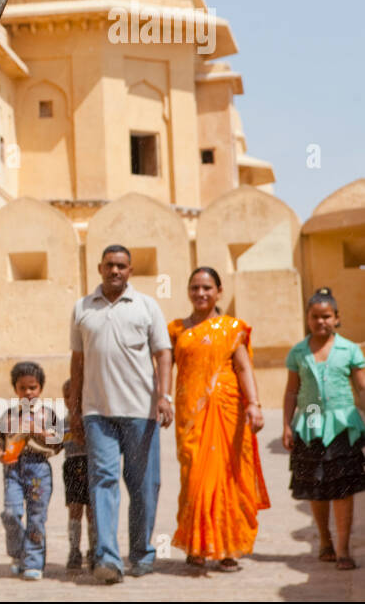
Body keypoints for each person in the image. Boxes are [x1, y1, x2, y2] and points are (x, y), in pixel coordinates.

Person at [67, 245, 172, 584]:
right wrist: (75, 410)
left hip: (141, 412)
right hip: (98, 413)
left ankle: (141, 553)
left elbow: (163, 354)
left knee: (143, 486)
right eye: (110, 265)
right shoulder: (82, 308)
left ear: (130, 270)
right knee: (104, 482)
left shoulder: (146, 306)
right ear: (100, 268)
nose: (115, 271)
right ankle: (108, 558)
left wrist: (164, 397)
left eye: (122, 266)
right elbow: (77, 361)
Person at [168, 267, 270, 572]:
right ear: (188, 290)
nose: (200, 293)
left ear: (219, 291)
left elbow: (243, 368)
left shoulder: (232, 328)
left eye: (207, 288)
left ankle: (228, 548)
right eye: (195, 287)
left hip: (228, 411)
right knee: (194, 477)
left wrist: (253, 404)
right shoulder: (176, 329)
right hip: (190, 414)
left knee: (228, 475)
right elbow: (161, 368)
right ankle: (197, 546)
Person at [282, 287, 365, 570]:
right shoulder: (298, 352)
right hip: (310, 425)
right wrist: (286, 425)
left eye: (327, 316)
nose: (321, 322)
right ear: (308, 319)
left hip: (343, 426)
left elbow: (362, 387)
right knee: (316, 486)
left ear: (337, 318)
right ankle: (325, 539)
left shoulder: (350, 349)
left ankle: (343, 549)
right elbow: (292, 391)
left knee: (343, 488)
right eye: (315, 317)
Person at [0, 362, 62, 580]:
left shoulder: (48, 415)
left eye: (32, 387)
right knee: (11, 513)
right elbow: (0, 442)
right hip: (13, 470)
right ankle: (18, 552)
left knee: (36, 517)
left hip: (38, 470)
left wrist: (38, 431)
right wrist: (2, 454)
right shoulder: (8, 416)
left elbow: (57, 443)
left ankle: (33, 561)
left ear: (40, 388)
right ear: (16, 389)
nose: (28, 393)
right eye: (23, 388)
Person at [60, 378, 94, 572]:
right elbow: (55, 446)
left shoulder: (91, 420)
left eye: (76, 396)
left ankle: (93, 549)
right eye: (67, 396)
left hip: (90, 466)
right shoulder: (63, 422)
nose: (71, 400)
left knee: (91, 512)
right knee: (74, 511)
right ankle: (74, 551)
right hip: (72, 467)